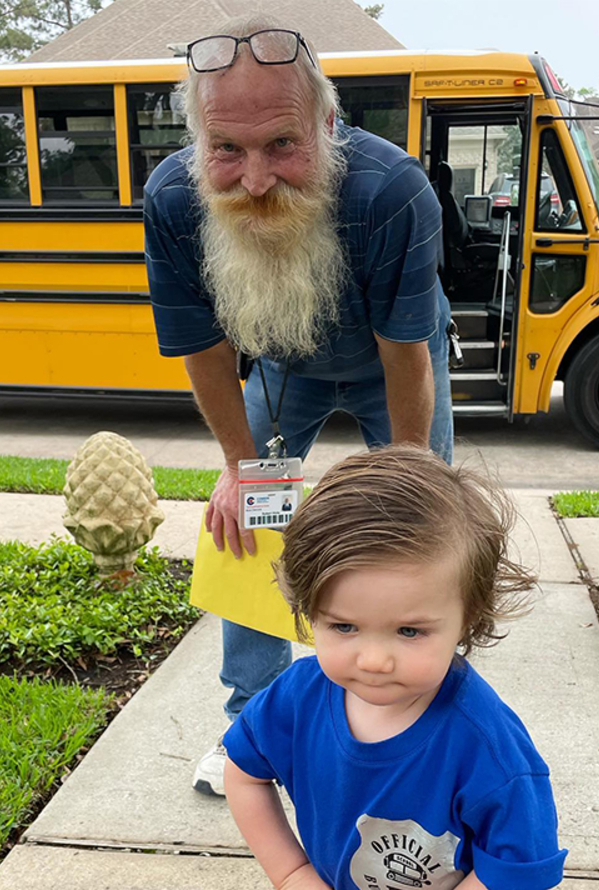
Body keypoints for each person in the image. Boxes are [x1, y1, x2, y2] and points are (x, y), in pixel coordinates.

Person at [142, 13, 453, 796]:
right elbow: (203, 351)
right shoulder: (173, 201)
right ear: (196, 138)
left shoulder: (393, 192)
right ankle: (254, 721)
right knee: (247, 521)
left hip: (394, 366)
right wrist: (239, 469)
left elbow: (404, 352)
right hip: (289, 367)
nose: (254, 179)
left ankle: (419, 709)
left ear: (328, 121)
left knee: (424, 531)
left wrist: (409, 479)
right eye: (227, 150)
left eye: (283, 143)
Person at [224, 445, 565, 890]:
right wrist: (293, 876)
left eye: (409, 631)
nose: (374, 660)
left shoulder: (487, 746)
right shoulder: (297, 697)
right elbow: (244, 772)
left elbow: (517, 875)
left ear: (469, 616)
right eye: (344, 626)